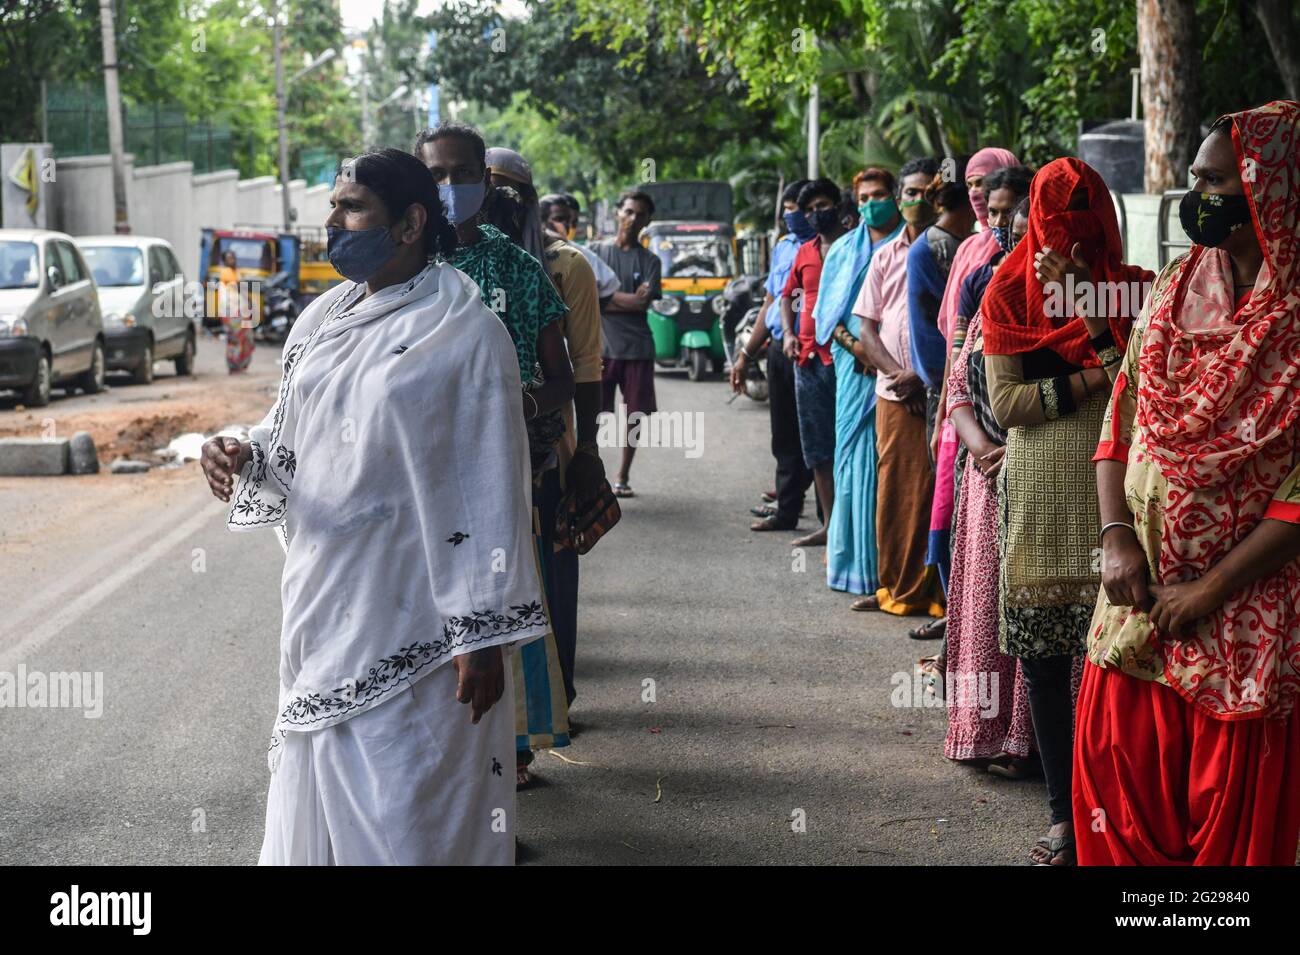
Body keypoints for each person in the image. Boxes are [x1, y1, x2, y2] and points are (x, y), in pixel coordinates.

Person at [201, 148, 545, 865]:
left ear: (411, 222)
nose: (333, 221)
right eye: (333, 205)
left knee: (408, 817)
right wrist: (244, 453)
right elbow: (292, 433)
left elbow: (492, 478)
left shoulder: (467, 331)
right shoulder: (321, 319)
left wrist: (481, 633)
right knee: (319, 791)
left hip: (424, 627)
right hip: (327, 604)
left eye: (351, 207)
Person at [1076, 100, 1300, 866]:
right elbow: (1119, 424)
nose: (1195, 193)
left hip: (1245, 619)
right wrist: (1115, 538)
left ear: (1272, 189)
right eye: (1195, 178)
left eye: (1214, 180)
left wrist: (1209, 590)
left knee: (1232, 836)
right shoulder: (1173, 288)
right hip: (1138, 605)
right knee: (1122, 802)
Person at [980, 156, 1153, 865]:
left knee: (1121, 667)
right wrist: (1088, 377)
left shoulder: (1136, 293)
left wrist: (1091, 305)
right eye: (1060, 228)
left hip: (1118, 508)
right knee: (1047, 665)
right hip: (1041, 513)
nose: (1070, 245)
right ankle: (1064, 813)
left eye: (1084, 228)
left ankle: (1117, 814)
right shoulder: (1007, 293)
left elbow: (1144, 394)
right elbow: (1007, 404)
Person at [415, 123, 576, 789]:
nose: (452, 187)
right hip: (418, 474)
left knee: (497, 600)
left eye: (463, 172)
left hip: (501, 469)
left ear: (486, 177)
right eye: (437, 175)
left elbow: (561, 376)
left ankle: (508, 749)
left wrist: (520, 405)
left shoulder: (518, 268)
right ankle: (438, 753)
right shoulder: (406, 271)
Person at [488, 147, 606, 714]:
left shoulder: (564, 267)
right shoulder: (447, 264)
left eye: (508, 191)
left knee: (551, 578)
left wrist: (587, 449)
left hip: (545, 448)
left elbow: (585, 368)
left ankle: (554, 702)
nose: (496, 200)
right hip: (474, 451)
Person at [942, 193, 1036, 771]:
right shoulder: (993, 292)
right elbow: (958, 385)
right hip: (987, 475)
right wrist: (979, 447)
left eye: (1033, 230)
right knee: (984, 603)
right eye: (1010, 228)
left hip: (1051, 482)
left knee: (1037, 605)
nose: (1018, 240)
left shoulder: (1088, 302)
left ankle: (1032, 741)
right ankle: (985, 730)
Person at [920, 148, 1022, 641]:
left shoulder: (1079, 284)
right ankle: (959, 631)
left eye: (1010, 210)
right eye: (977, 188)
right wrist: (964, 427)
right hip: (977, 433)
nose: (999, 218)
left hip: (1039, 450)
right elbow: (959, 363)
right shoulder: (979, 268)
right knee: (966, 540)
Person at [850, 158, 945, 618]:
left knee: (936, 493)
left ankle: (936, 593)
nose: (915, 201)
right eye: (909, 192)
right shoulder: (885, 255)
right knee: (894, 492)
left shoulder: (952, 251)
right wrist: (896, 374)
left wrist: (924, 377)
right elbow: (866, 328)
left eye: (925, 192)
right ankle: (892, 586)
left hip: (942, 392)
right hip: (894, 393)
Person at [810, 168, 902, 597]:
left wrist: (884, 356)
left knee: (892, 466)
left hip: (901, 370)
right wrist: (860, 349)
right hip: (853, 369)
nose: (870, 204)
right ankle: (853, 566)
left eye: (879, 195)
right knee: (852, 458)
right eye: (863, 197)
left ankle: (892, 571)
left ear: (895, 196)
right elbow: (826, 319)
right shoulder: (844, 249)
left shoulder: (912, 244)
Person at [906, 157, 976, 626]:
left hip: (948, 390)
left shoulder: (959, 245)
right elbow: (945, 332)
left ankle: (959, 613)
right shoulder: (940, 248)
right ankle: (955, 612)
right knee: (950, 504)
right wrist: (936, 384)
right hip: (948, 391)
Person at [731, 179, 817, 532]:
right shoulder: (784, 247)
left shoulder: (825, 248)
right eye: (788, 208)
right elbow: (770, 302)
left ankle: (811, 505)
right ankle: (787, 506)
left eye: (797, 208)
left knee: (811, 433)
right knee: (783, 433)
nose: (790, 215)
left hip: (812, 353)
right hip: (780, 350)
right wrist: (745, 354)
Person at [780, 178, 848, 548]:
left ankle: (851, 528)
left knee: (849, 443)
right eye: (809, 210)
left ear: (837, 205)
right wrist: (789, 335)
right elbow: (785, 296)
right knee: (818, 447)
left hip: (846, 358)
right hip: (806, 360)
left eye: (822, 205)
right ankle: (829, 523)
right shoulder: (804, 251)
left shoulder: (854, 247)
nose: (815, 214)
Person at [590, 190, 662, 498]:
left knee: (634, 417)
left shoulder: (650, 260)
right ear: (618, 212)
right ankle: (590, 473)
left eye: (641, 214)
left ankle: (622, 475)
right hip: (601, 348)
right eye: (629, 211)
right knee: (591, 413)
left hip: (638, 349)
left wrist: (605, 299)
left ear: (648, 220)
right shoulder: (595, 251)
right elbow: (588, 297)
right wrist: (628, 298)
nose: (633, 218)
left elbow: (640, 305)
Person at [541, 193, 622, 301]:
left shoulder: (580, 253)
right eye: (559, 219)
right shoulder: (526, 252)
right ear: (541, 222)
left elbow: (609, 286)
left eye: (569, 221)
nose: (566, 225)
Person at [218, 250, 254, 373]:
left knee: (245, 338)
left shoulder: (236, 272)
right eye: (229, 258)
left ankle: (240, 365)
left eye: (233, 257)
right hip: (231, 312)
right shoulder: (226, 272)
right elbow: (240, 287)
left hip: (240, 310)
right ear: (225, 261)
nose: (232, 260)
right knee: (234, 339)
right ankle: (233, 365)